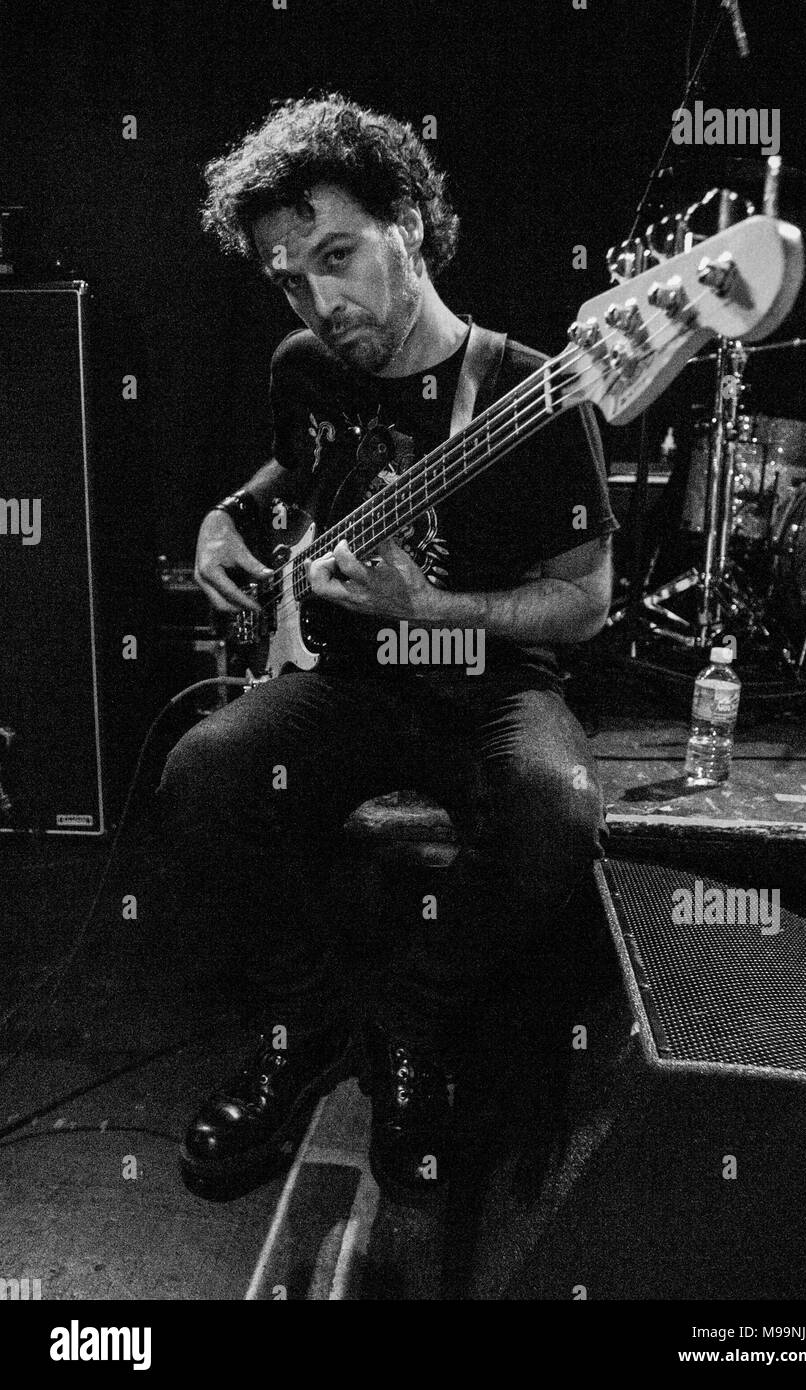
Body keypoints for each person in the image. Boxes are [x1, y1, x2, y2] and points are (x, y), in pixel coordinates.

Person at [157, 93, 618, 1201]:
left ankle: (416, 1020)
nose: (321, 300)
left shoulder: (532, 392)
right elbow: (292, 469)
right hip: (352, 680)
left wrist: (436, 611)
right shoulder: (303, 367)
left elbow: (585, 601)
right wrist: (228, 512)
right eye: (289, 278)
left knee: (557, 813)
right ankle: (307, 1020)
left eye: (337, 254)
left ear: (407, 221)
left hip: (491, 681)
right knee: (201, 774)